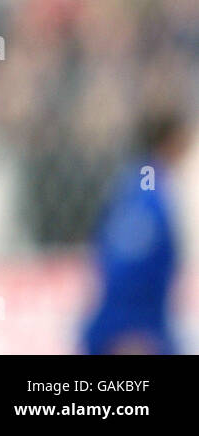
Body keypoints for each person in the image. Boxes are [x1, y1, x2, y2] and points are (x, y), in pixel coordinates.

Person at [82, 112, 189, 355]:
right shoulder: (149, 193)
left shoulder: (134, 181)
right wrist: (130, 330)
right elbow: (127, 264)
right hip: (136, 330)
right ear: (172, 141)